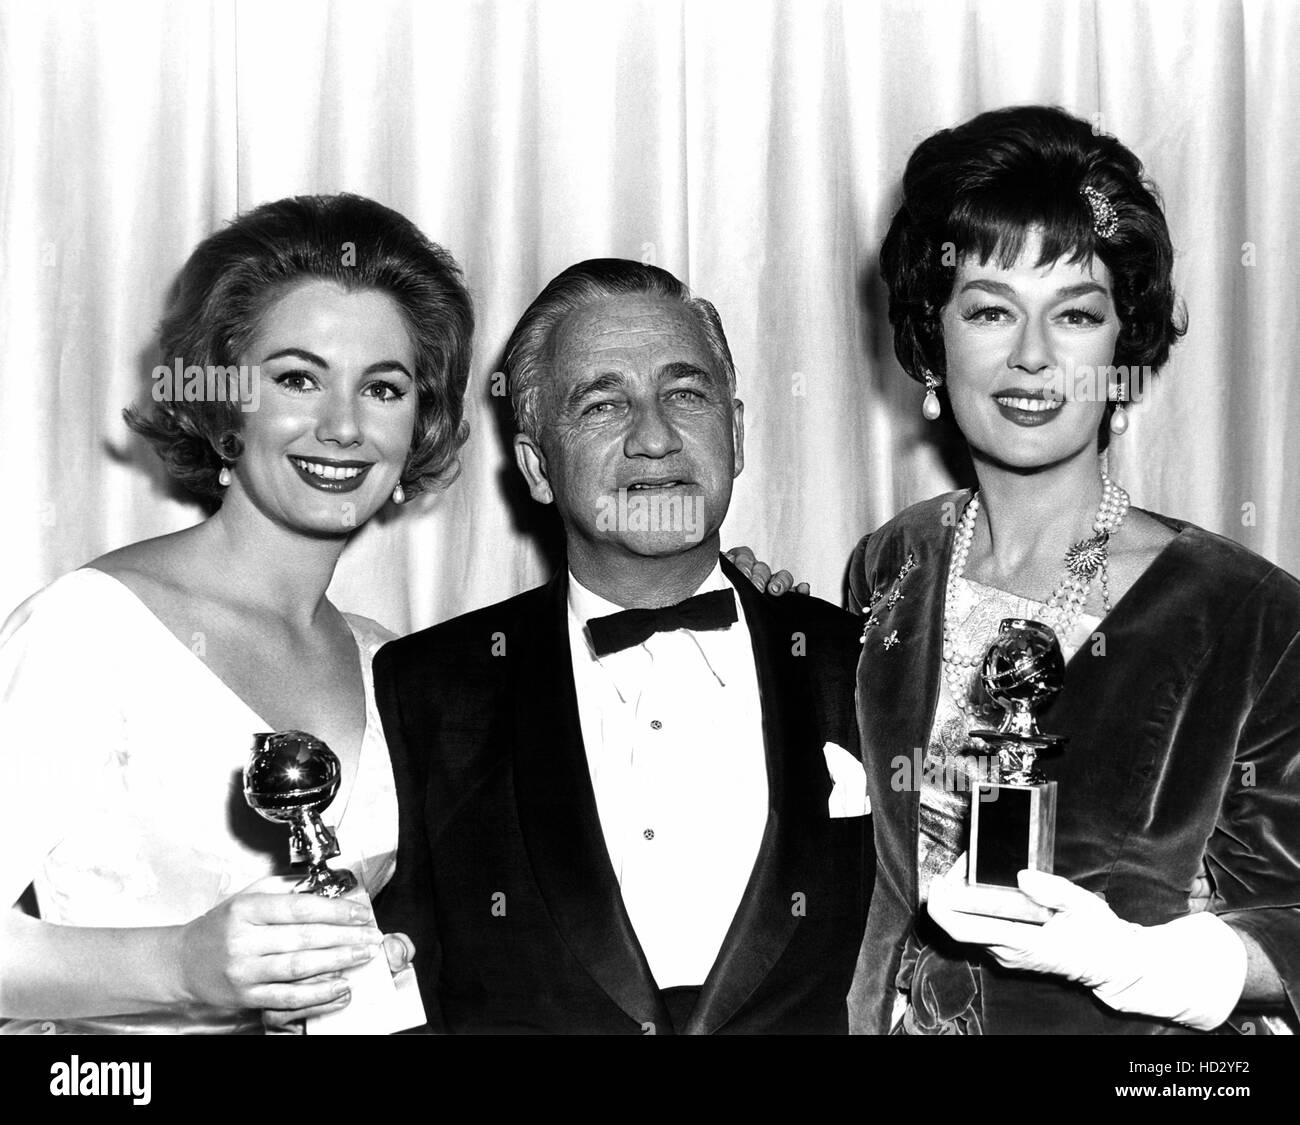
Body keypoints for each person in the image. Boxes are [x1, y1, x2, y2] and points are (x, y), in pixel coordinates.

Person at [845, 105, 1298, 1034]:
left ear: (1122, 348)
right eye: (989, 309)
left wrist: (1154, 965)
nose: (1034, 357)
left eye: (1077, 314)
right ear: (933, 338)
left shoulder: (1248, 613)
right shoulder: (890, 565)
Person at [0, 193, 472, 1033]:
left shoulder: (390, 662)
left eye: (385, 388)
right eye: (296, 378)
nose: (342, 426)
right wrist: (182, 966)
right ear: (225, 405)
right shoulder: (90, 632)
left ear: (420, 424)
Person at [373, 258, 872, 1034]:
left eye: (684, 394)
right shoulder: (429, 690)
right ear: (538, 468)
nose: (654, 436)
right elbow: (400, 998)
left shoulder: (864, 663)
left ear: (736, 434)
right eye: (603, 404)